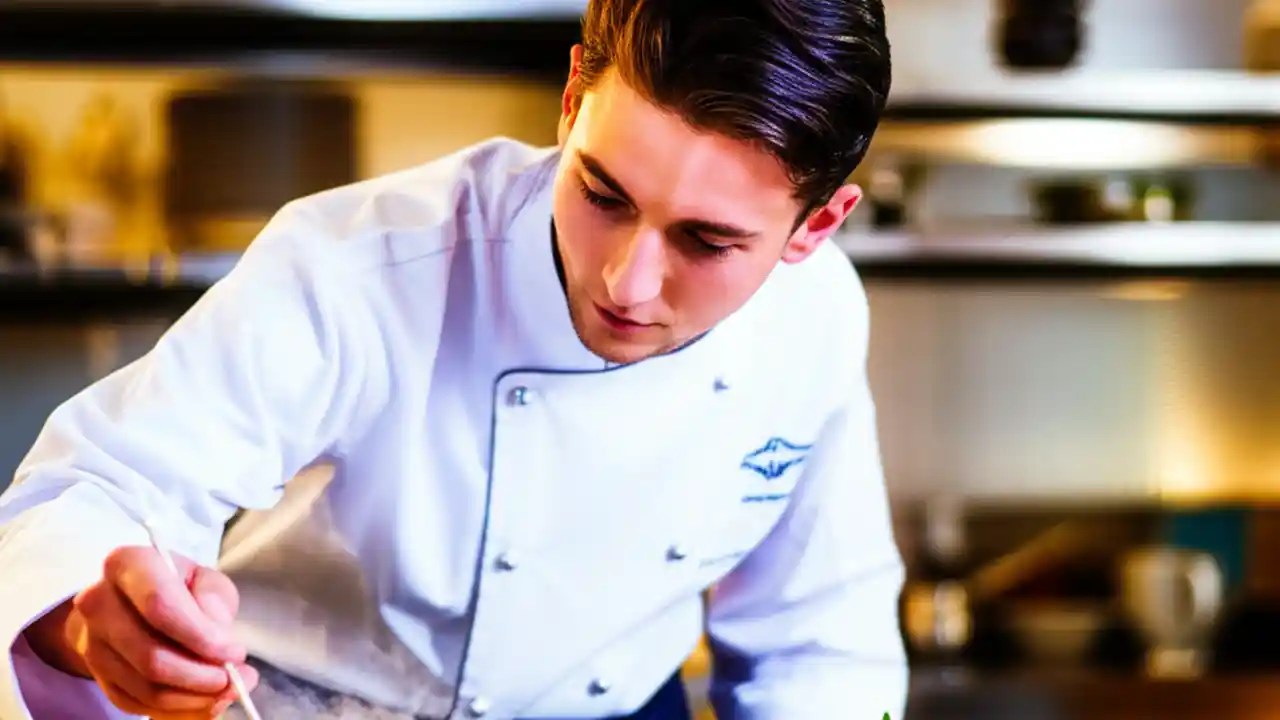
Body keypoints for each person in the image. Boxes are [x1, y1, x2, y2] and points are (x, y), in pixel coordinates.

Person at [0, 0, 906, 718]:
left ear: (817, 226)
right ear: (569, 104)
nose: (628, 284)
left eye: (707, 242)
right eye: (601, 192)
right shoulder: (360, 266)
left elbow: (818, 639)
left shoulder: (815, 320)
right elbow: (101, 491)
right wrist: (97, 619)